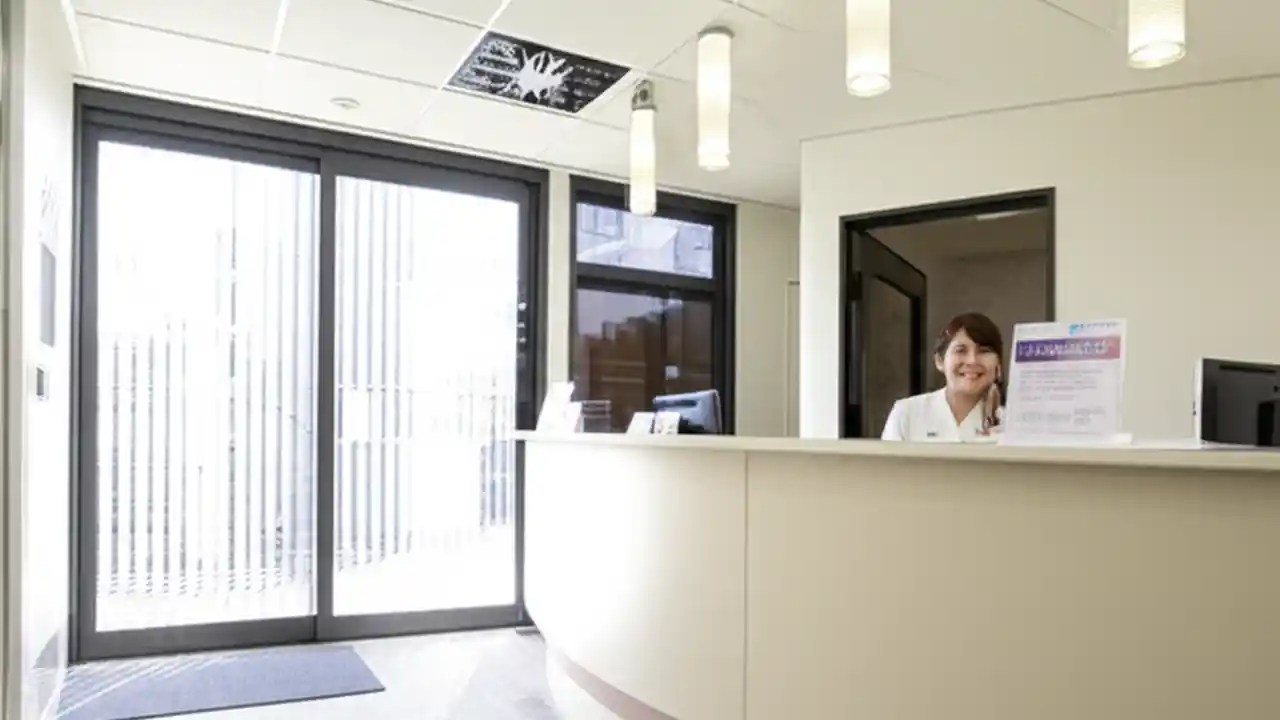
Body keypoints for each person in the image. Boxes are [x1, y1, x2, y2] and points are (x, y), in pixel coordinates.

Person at [882, 312, 1005, 442]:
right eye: (961, 350)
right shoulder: (907, 413)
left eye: (984, 351)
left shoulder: (1013, 424)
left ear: (998, 364)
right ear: (940, 361)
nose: (972, 361)